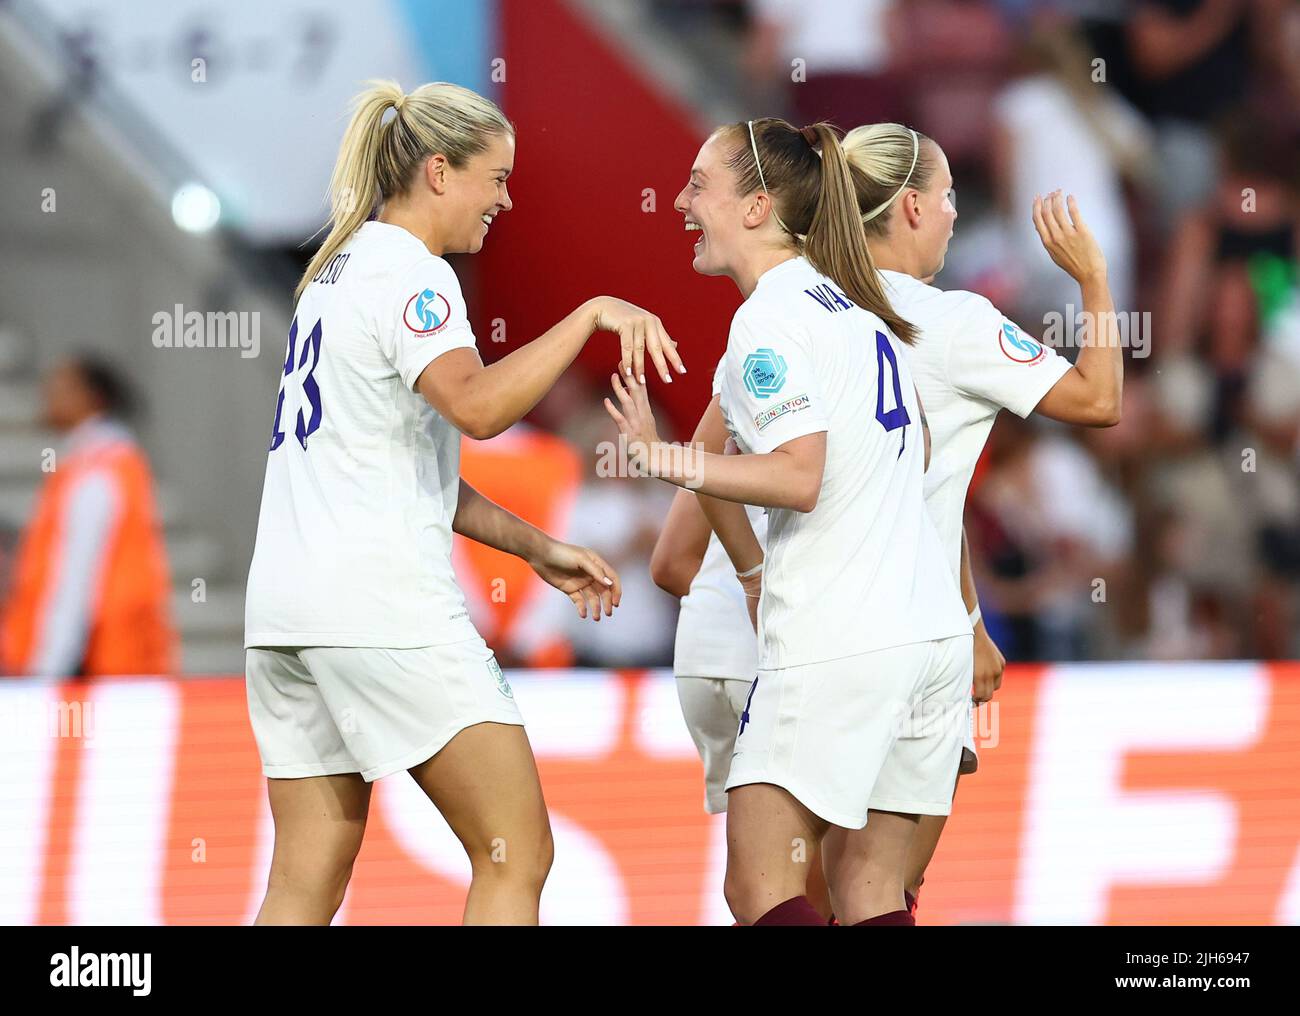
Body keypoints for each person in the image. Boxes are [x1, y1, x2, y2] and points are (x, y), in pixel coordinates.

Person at [243, 79, 683, 926]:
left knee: (306, 874)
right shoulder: (417, 274)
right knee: (515, 848)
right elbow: (479, 409)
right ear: (440, 173)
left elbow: (405, 471)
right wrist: (589, 314)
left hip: (286, 611)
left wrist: (532, 545)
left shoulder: (333, 274)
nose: (507, 201)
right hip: (379, 604)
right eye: (498, 179)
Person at [605, 117, 971, 926]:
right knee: (872, 889)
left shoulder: (768, 318)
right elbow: (922, 449)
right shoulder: (858, 309)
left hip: (838, 642)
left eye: (699, 185)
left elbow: (797, 476)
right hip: (927, 636)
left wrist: (665, 459)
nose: (679, 201)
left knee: (760, 886)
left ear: (757, 205)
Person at [842, 122, 1124, 916]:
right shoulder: (955, 323)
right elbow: (1099, 401)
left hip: (808, 634)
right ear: (908, 209)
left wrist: (974, 620)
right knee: (884, 887)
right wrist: (1093, 281)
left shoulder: (800, 310)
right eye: (947, 198)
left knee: (797, 884)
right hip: (909, 640)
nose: (957, 215)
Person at [1, 356, 176, 678]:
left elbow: (74, 578)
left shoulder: (96, 470)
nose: (49, 392)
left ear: (91, 397)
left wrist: (46, 670)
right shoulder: (103, 464)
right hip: (112, 663)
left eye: (63, 385)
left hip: (100, 666)